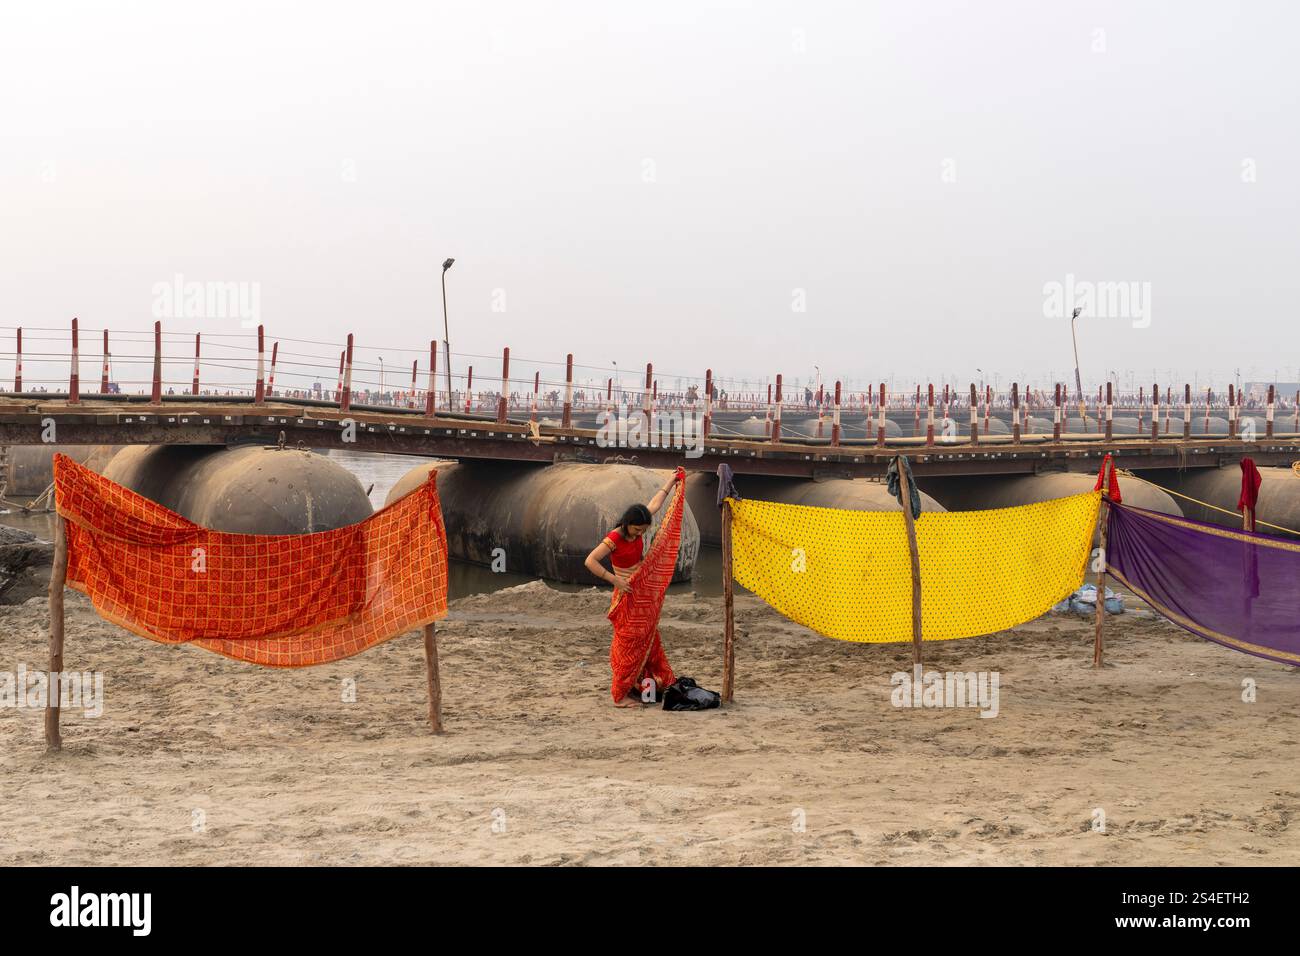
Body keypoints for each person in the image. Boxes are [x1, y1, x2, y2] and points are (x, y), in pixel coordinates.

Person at [583, 470, 682, 707]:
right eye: (637, 530)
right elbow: (590, 561)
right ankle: (620, 695)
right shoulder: (615, 538)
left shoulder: (639, 525)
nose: (640, 534)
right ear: (627, 524)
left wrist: (672, 481)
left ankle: (645, 683)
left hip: (642, 593)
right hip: (626, 595)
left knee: (648, 638)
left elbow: (655, 503)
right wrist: (614, 580)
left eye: (644, 530)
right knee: (627, 642)